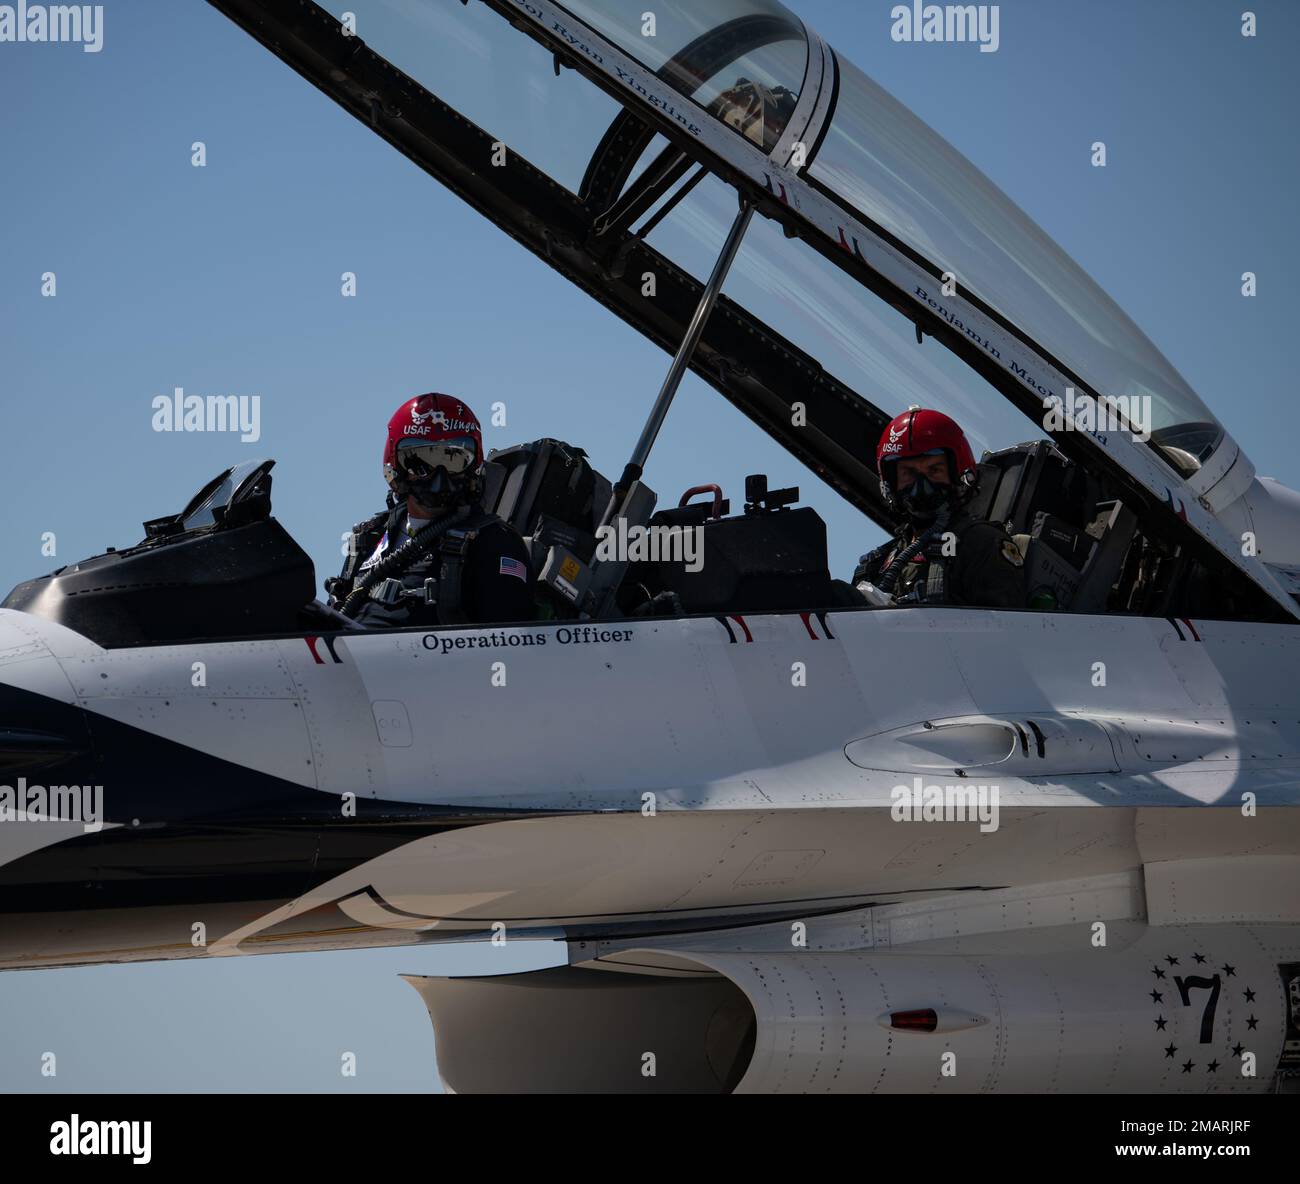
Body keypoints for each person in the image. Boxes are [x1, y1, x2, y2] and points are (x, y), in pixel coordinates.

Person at [327, 394, 534, 627]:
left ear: (473, 466)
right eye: (421, 462)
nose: (440, 478)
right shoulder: (369, 538)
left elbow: (513, 645)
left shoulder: (494, 542)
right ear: (395, 466)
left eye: (454, 459)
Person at [852, 407, 1026, 608]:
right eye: (908, 472)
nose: (921, 485)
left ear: (959, 474)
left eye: (934, 470)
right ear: (891, 484)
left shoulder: (982, 545)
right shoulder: (878, 563)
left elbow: (1007, 632)